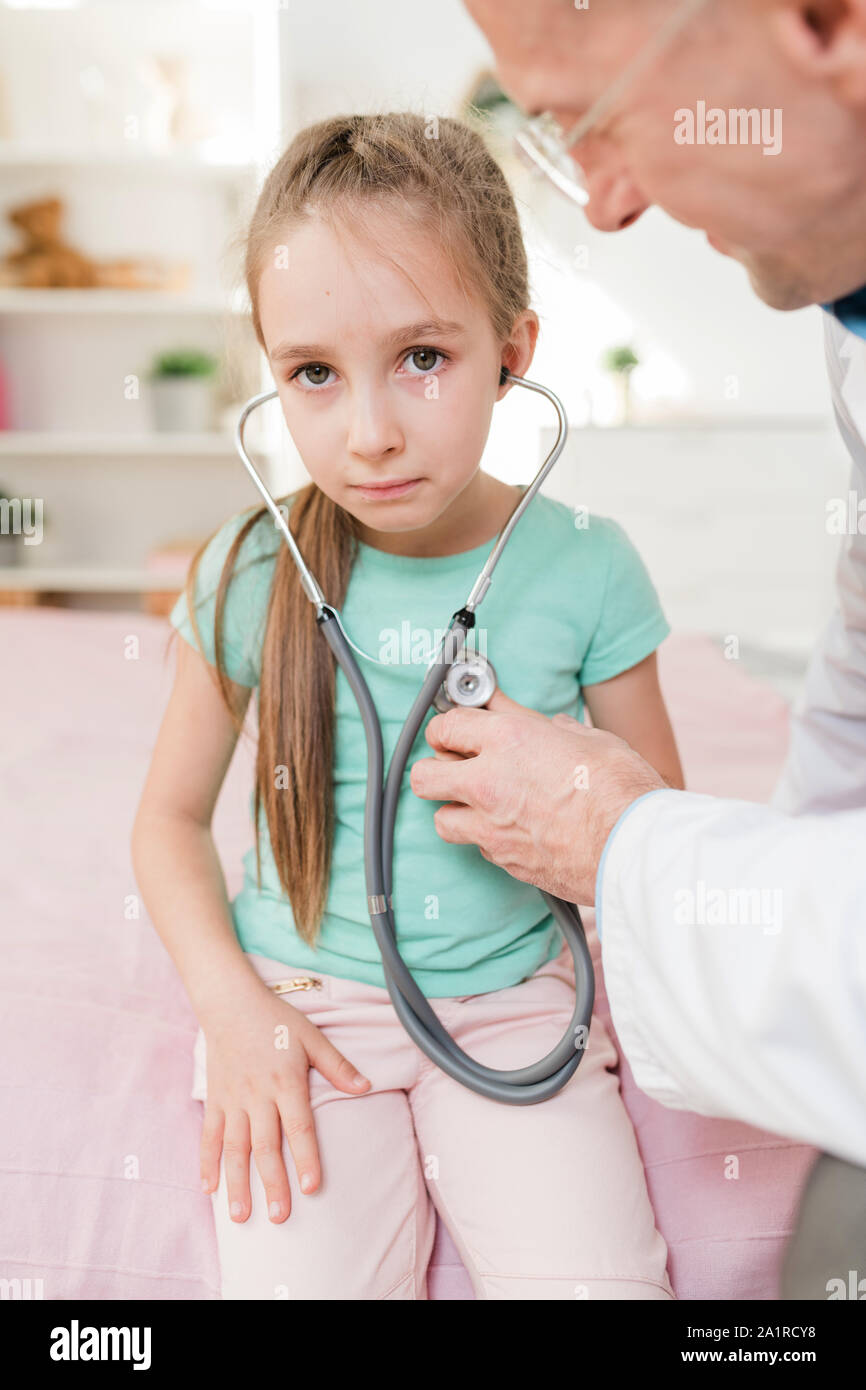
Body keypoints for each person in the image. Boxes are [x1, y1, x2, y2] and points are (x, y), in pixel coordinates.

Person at [131, 111, 686, 1300]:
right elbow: (168, 823)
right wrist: (235, 1012)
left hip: (510, 1004)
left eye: (422, 357)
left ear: (513, 348)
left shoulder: (586, 565)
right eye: (313, 374)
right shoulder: (247, 570)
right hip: (304, 1011)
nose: (369, 431)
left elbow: (657, 822)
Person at [408, 0, 866, 1229]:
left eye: (590, 120)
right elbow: (853, 697)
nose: (605, 206)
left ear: (825, 25)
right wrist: (744, 888)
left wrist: (617, 842)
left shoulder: (587, 564)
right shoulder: (851, 322)